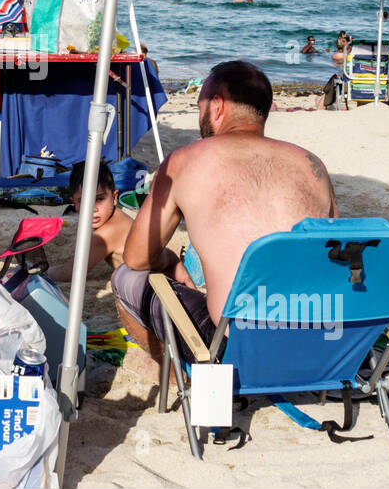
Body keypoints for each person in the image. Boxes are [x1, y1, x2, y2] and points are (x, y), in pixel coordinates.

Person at [115, 61, 338, 377]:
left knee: (125, 277)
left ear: (217, 106)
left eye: (200, 106)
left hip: (235, 346)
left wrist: (168, 260)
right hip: (316, 336)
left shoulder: (183, 161)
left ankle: (174, 372)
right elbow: (335, 250)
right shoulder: (312, 164)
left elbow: (136, 257)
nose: (199, 116)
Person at [46, 161, 170, 284]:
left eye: (100, 199)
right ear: (75, 203)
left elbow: (69, 273)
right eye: (84, 201)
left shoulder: (106, 234)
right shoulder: (115, 218)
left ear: (115, 198)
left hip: (164, 280)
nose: (93, 208)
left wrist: (45, 271)